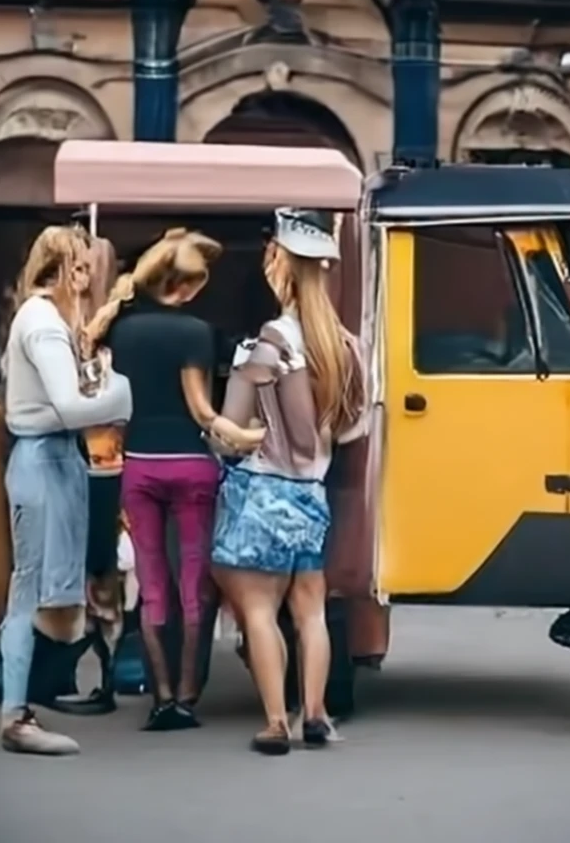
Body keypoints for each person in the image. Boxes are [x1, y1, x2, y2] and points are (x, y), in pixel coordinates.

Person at [87, 228, 265, 731]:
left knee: (152, 585)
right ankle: (188, 695)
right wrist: (250, 434)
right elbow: (204, 412)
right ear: (184, 285)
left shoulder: (120, 331)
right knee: (195, 587)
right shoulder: (195, 333)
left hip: (138, 466)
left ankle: (160, 697)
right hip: (192, 467)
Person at [211, 208, 367, 756]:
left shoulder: (273, 341)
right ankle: (317, 714)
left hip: (265, 491)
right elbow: (354, 427)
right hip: (313, 493)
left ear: (281, 263)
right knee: (312, 611)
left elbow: (230, 429)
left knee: (259, 610)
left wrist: (227, 412)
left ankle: (277, 722)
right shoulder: (347, 345)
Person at [0, 225, 133, 756]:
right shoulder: (44, 325)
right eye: (78, 267)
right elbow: (71, 406)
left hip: (54, 459)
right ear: (58, 268)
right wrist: (122, 394)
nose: (85, 278)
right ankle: (18, 712)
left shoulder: (46, 320)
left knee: (44, 591)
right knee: (32, 592)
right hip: (44, 458)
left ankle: (23, 705)